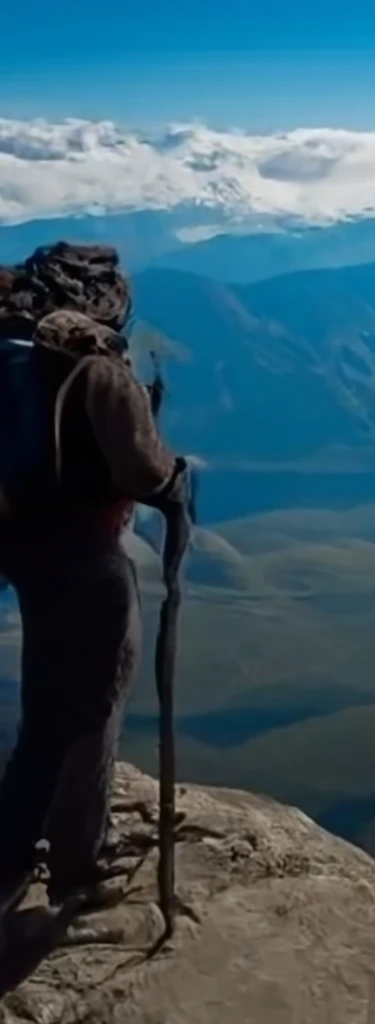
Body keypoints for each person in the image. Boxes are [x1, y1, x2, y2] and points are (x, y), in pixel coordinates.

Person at [0, 245, 190, 921]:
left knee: (50, 707)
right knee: (92, 702)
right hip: (85, 552)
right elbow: (142, 470)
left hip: (20, 544)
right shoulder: (91, 360)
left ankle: (22, 850)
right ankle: (75, 864)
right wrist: (179, 476)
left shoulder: (9, 347)